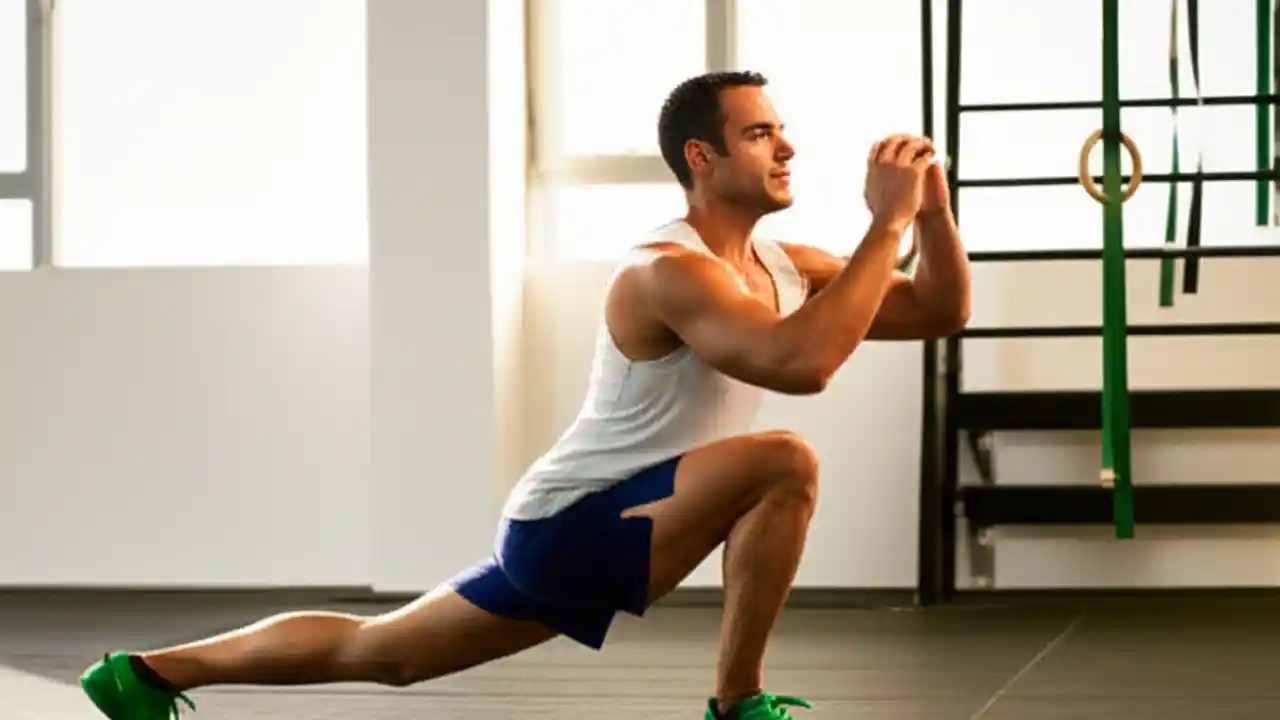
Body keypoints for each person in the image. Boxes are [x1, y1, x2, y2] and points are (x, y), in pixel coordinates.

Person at [78, 70, 971, 720]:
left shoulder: (785, 265)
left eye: (782, 131)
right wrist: (887, 221)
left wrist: (929, 212)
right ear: (702, 157)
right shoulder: (667, 270)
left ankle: (144, 674)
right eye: (760, 134)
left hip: (582, 523)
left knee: (382, 652)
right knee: (784, 462)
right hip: (574, 524)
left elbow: (937, 309)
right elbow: (801, 365)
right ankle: (737, 705)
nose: (788, 148)